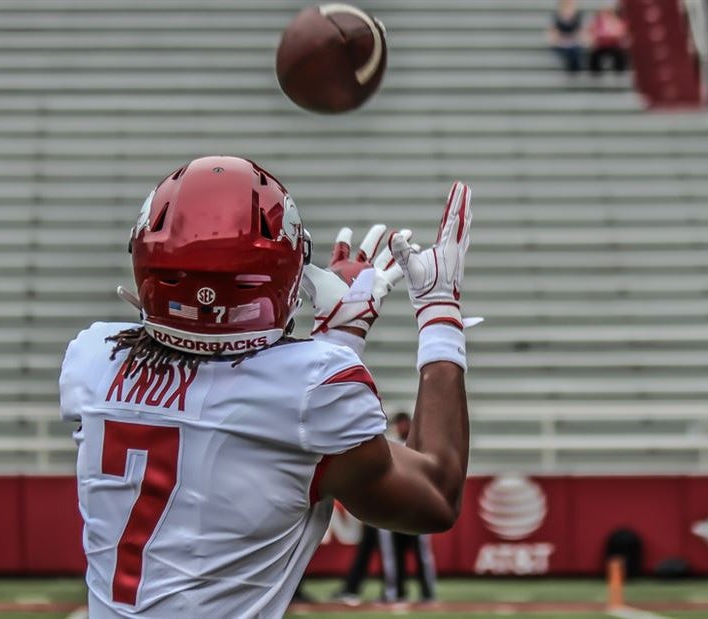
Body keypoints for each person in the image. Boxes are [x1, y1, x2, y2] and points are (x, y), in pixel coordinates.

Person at [58, 156, 474, 617]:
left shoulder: (94, 359)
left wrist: (339, 336)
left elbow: (239, 423)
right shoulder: (312, 388)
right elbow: (435, 496)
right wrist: (440, 315)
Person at [380, 412, 438, 603]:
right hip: (392, 508)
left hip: (415, 506)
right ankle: (395, 591)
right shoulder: (389, 443)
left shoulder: (420, 445)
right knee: (393, 555)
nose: (404, 427)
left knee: (421, 553)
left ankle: (427, 592)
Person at [587, 4, 629, 75]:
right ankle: (595, 76)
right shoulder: (598, 21)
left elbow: (621, 32)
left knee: (620, 55)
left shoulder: (617, 20)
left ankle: (619, 75)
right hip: (601, 46)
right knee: (594, 55)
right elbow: (592, 32)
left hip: (614, 45)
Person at [548, 0, 585, 74]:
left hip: (573, 42)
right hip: (560, 43)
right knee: (571, 51)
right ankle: (573, 70)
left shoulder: (577, 16)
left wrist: (573, 39)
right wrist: (562, 40)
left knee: (574, 50)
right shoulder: (557, 16)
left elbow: (580, 33)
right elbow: (553, 34)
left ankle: (574, 70)